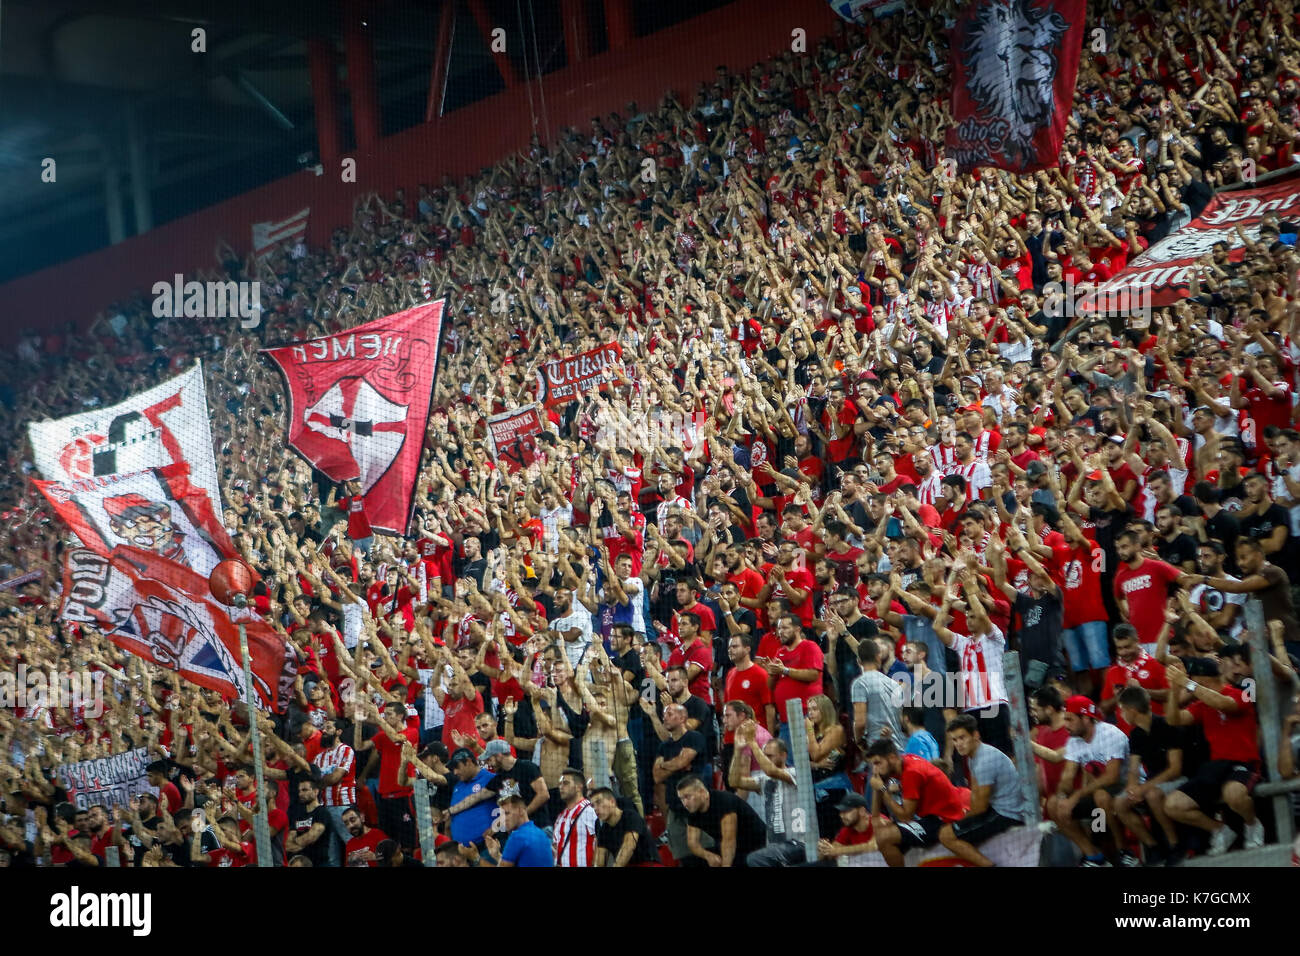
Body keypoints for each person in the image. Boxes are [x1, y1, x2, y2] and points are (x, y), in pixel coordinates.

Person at [1046, 696, 1130, 867]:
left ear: (1085, 718)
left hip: (1125, 787)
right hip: (1095, 792)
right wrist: (1063, 796)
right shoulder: (1074, 741)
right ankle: (1094, 856)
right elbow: (1068, 777)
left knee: (1101, 796)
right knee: (1053, 803)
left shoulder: (1110, 734)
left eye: (1070, 719)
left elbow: (1112, 777)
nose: (1066, 724)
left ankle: (1124, 852)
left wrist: (1076, 796)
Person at [938, 715, 1027, 867]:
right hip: (998, 808)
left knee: (946, 835)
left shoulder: (985, 759)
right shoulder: (974, 756)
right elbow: (975, 795)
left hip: (1008, 813)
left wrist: (961, 821)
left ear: (975, 735)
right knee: (952, 827)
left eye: (962, 738)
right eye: (954, 740)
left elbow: (980, 807)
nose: (958, 744)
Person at [865, 738, 967, 867]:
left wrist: (883, 789)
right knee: (883, 832)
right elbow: (875, 817)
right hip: (933, 817)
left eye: (877, 763)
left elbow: (905, 816)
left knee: (884, 837)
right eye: (872, 765)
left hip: (945, 820)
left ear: (892, 757)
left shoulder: (911, 772)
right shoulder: (904, 761)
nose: (875, 769)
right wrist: (878, 784)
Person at [1112, 686, 1184, 867]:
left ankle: (1175, 845)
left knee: (1152, 794)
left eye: (1122, 710)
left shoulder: (1166, 725)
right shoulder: (1135, 735)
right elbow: (1134, 768)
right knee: (1120, 802)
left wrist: (1143, 788)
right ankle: (1153, 847)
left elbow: (1175, 769)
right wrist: (1131, 788)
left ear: (1132, 711)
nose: (1121, 715)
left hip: (1177, 780)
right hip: (1153, 782)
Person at [675, 775, 768, 867]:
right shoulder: (692, 808)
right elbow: (693, 843)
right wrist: (708, 856)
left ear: (702, 792)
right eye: (682, 799)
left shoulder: (723, 801)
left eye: (688, 797)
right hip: (735, 847)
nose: (685, 803)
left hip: (758, 845)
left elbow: (729, 841)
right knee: (690, 860)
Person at [591, 787, 657, 867]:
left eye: (599, 802)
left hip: (649, 864)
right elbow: (599, 862)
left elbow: (628, 847)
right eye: (593, 805)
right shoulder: (603, 830)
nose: (595, 808)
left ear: (612, 801)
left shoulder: (631, 817)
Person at [551, 768, 597, 867]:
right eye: (560, 784)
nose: (561, 787)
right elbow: (555, 847)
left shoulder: (589, 811)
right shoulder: (560, 817)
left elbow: (600, 841)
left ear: (579, 787)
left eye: (565, 783)